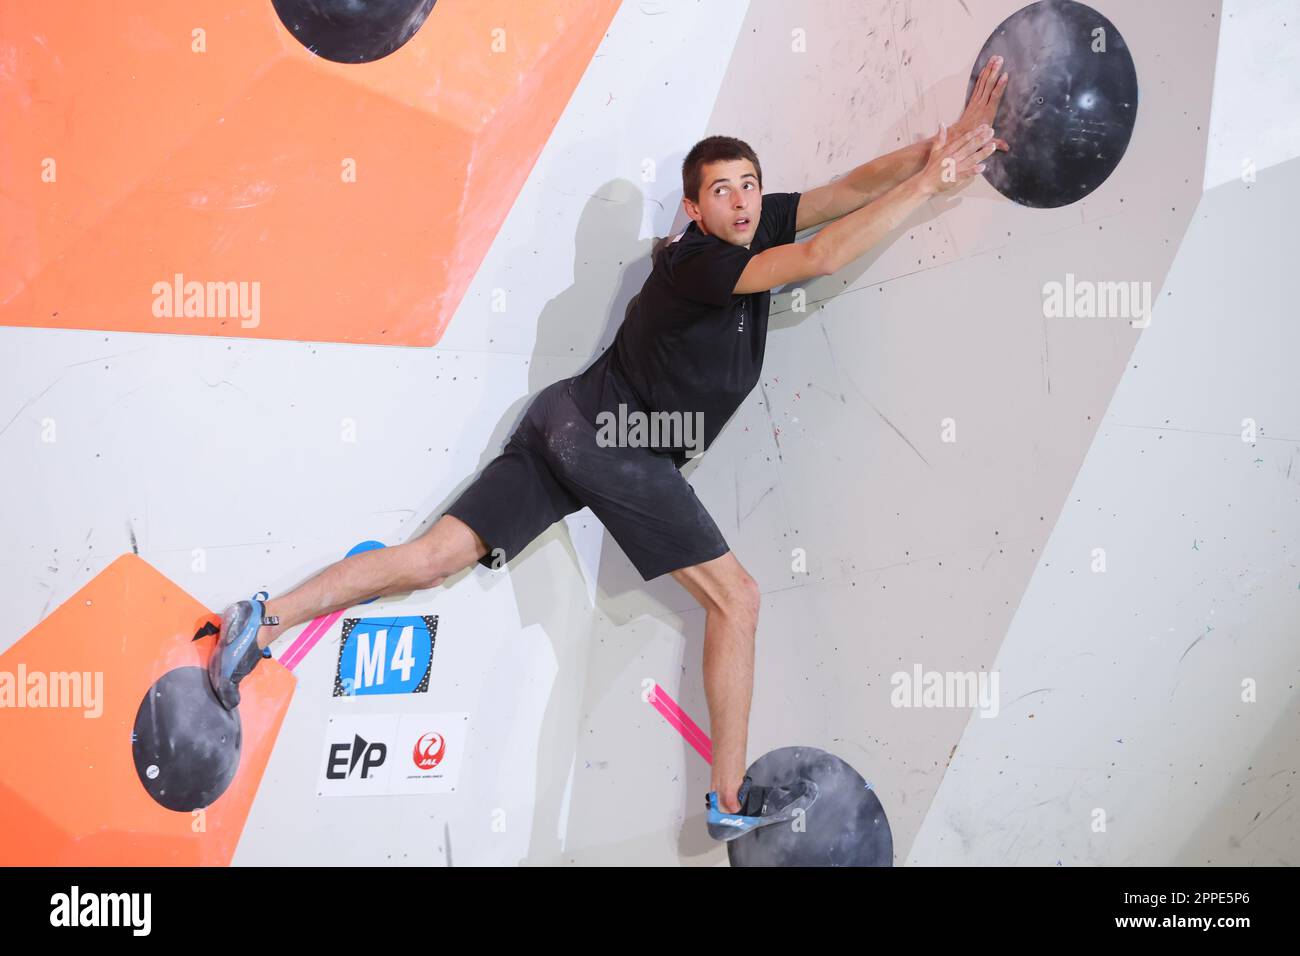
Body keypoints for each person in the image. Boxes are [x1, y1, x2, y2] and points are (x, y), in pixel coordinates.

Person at [210, 56, 1009, 839]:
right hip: (611, 434)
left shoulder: (755, 223)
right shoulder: (698, 262)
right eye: (719, 190)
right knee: (740, 599)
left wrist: (940, 146)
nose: (738, 200)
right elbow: (823, 254)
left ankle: (262, 618)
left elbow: (848, 194)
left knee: (432, 558)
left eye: (748, 185)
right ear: (693, 211)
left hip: (574, 420)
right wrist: (933, 187)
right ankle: (727, 798)